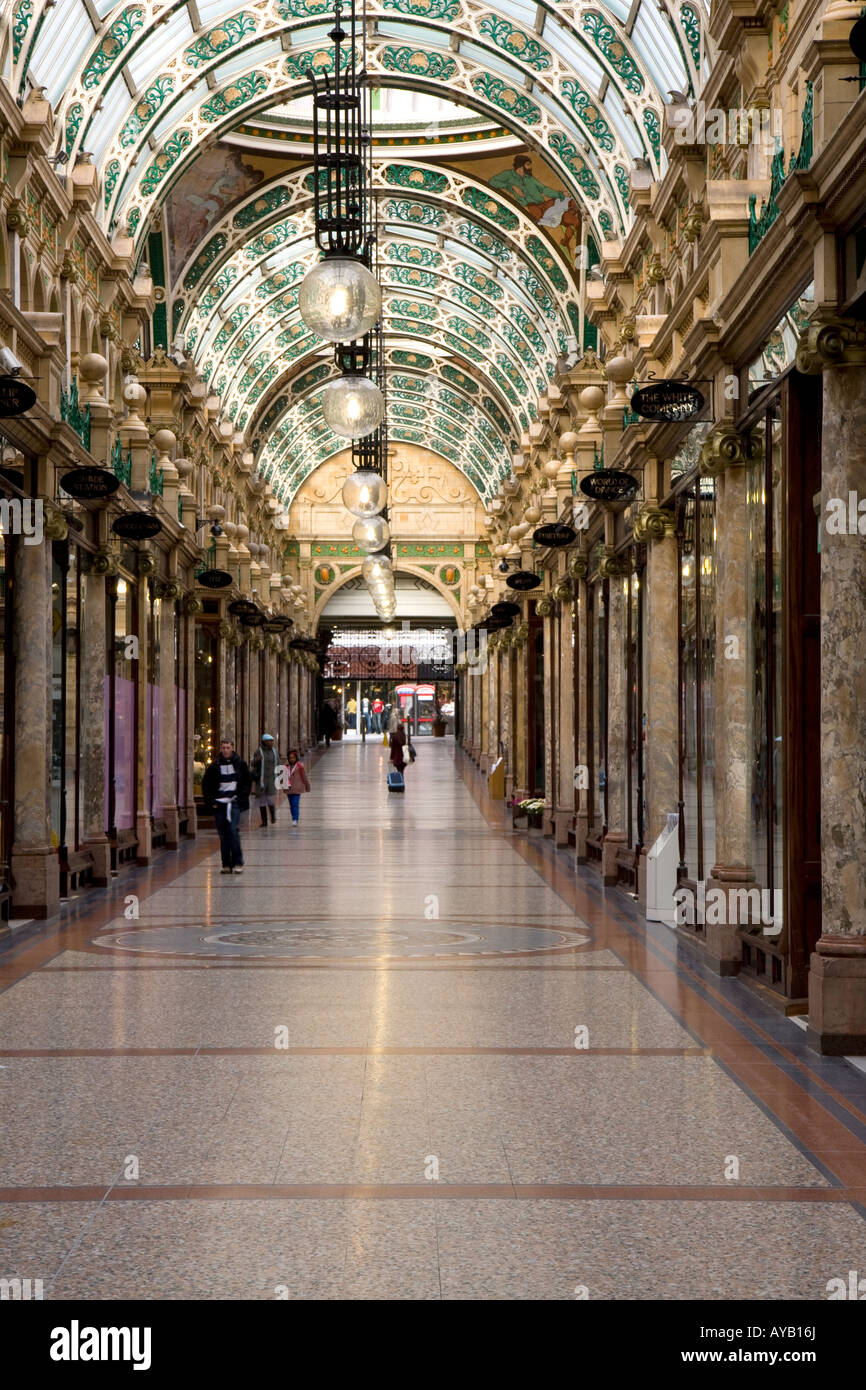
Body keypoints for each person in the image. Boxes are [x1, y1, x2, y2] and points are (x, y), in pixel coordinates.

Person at [202, 738, 251, 874]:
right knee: (223, 835)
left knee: (233, 831)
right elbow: (206, 784)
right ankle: (226, 864)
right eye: (223, 747)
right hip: (219, 804)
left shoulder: (240, 764)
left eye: (228, 747)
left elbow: (247, 782)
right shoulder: (215, 765)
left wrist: (241, 798)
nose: (225, 750)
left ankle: (238, 861)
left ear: (232, 748)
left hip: (233, 803)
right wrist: (211, 801)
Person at [251, 733, 281, 827]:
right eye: (269, 741)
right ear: (264, 742)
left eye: (272, 741)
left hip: (271, 779)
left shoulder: (274, 752)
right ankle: (264, 821)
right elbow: (252, 763)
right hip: (261, 779)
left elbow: (278, 764)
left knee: (270, 799)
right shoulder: (259, 751)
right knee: (262, 800)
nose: (271, 743)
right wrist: (257, 760)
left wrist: (279, 777)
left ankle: (272, 815)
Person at [285, 748, 311, 827]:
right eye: (290, 758)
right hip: (289, 789)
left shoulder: (300, 766)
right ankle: (293, 817)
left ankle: (295, 819)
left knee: (295, 804)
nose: (292, 759)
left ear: (296, 758)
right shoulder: (286, 766)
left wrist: (307, 786)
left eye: (293, 758)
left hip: (297, 789)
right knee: (291, 805)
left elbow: (304, 777)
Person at [388, 709, 407, 776]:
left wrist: (391, 758)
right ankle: (402, 783)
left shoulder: (395, 737)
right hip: (403, 759)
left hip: (397, 758)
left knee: (399, 771)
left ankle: (400, 782)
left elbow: (393, 749)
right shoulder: (403, 736)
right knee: (401, 771)